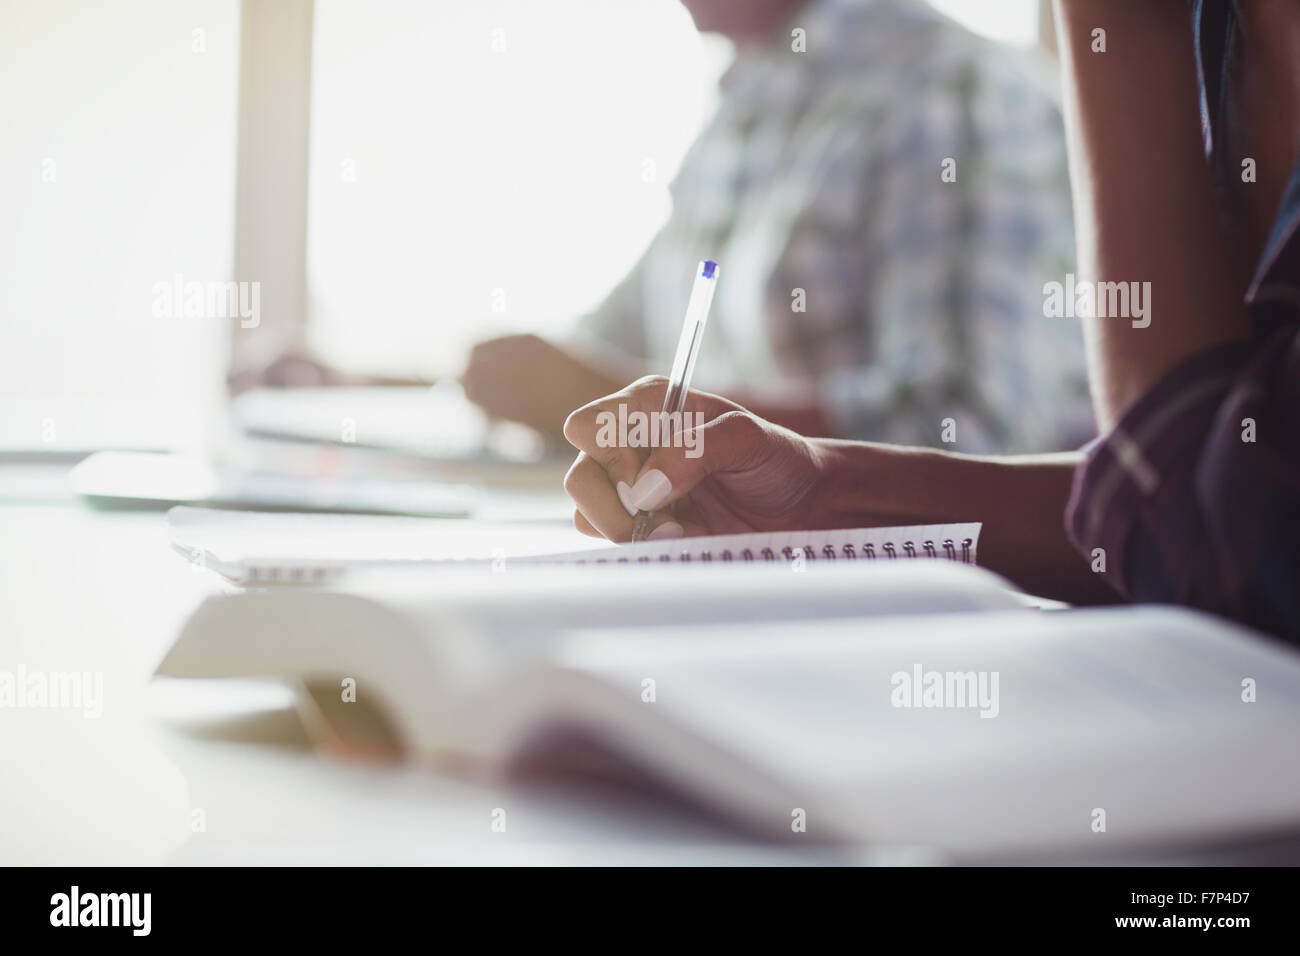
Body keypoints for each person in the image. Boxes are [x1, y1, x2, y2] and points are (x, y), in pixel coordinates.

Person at [560, 0, 1300, 643]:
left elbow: (1217, 533)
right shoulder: (735, 114)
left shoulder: (950, 86)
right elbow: (1211, 498)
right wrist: (820, 496)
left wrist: (1104, 19)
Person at [461, 0, 1090, 452]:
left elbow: (973, 431)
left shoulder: (946, 91)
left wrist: (652, 416)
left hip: (905, 608)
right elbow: (600, 354)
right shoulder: (741, 113)